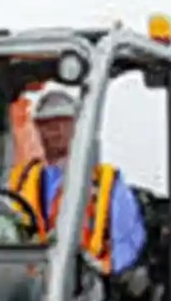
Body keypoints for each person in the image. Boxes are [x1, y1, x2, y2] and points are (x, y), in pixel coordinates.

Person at [9, 88, 147, 277]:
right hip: (31, 284)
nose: (57, 131)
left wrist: (100, 267)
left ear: (78, 127)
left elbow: (129, 239)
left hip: (88, 282)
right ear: (38, 129)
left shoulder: (107, 183)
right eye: (48, 125)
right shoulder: (21, 181)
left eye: (64, 123)